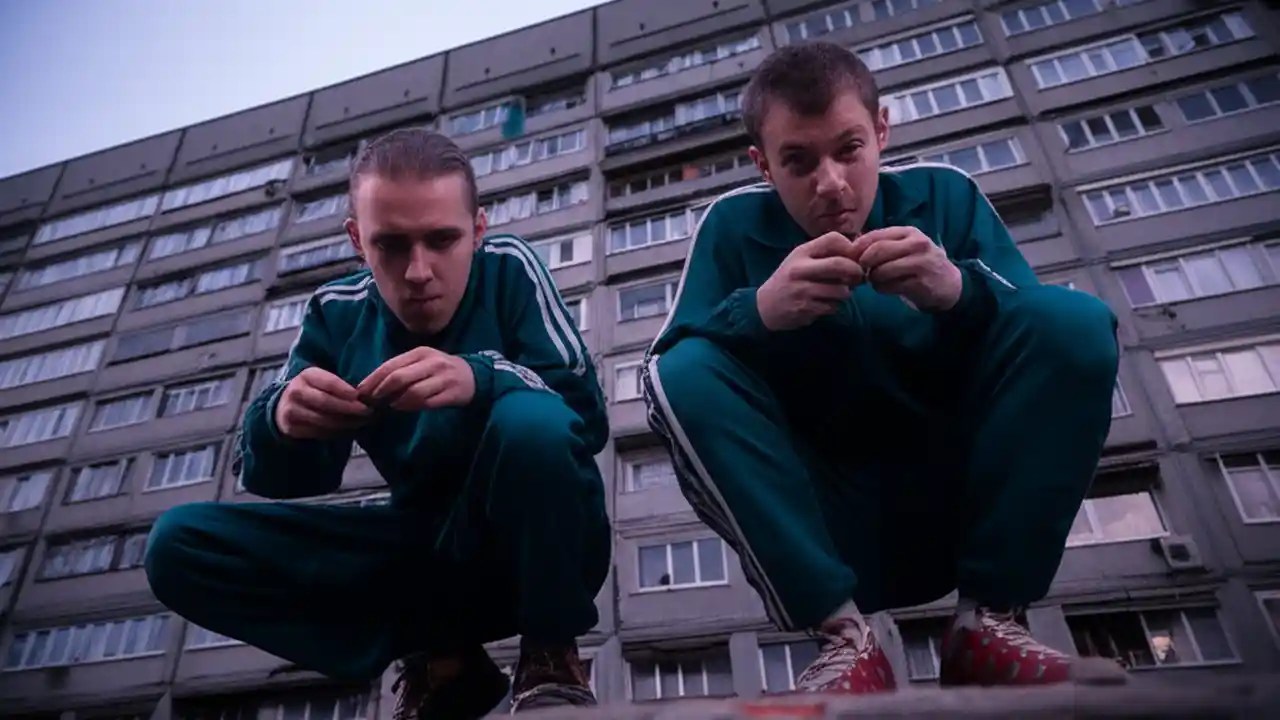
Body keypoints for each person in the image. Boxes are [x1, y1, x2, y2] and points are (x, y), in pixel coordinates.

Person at [642, 42, 1125, 693]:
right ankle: (844, 640)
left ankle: (988, 625)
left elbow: (1045, 338)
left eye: (849, 149)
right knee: (686, 370)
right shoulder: (731, 226)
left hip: (962, 495)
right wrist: (757, 312)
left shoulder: (943, 194)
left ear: (882, 132)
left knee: (1076, 320)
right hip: (824, 519)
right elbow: (662, 380)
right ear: (763, 165)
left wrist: (958, 292)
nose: (832, 183)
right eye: (799, 162)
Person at [145, 128, 610, 718]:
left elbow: (584, 416)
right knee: (178, 545)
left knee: (530, 424)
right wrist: (281, 420)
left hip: (538, 546)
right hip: (420, 555)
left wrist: (481, 378)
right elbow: (285, 478)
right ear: (357, 241)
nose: (419, 271)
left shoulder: (509, 269)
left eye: (443, 240)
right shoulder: (336, 314)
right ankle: (445, 662)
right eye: (391, 245)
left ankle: (549, 653)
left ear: (480, 230)